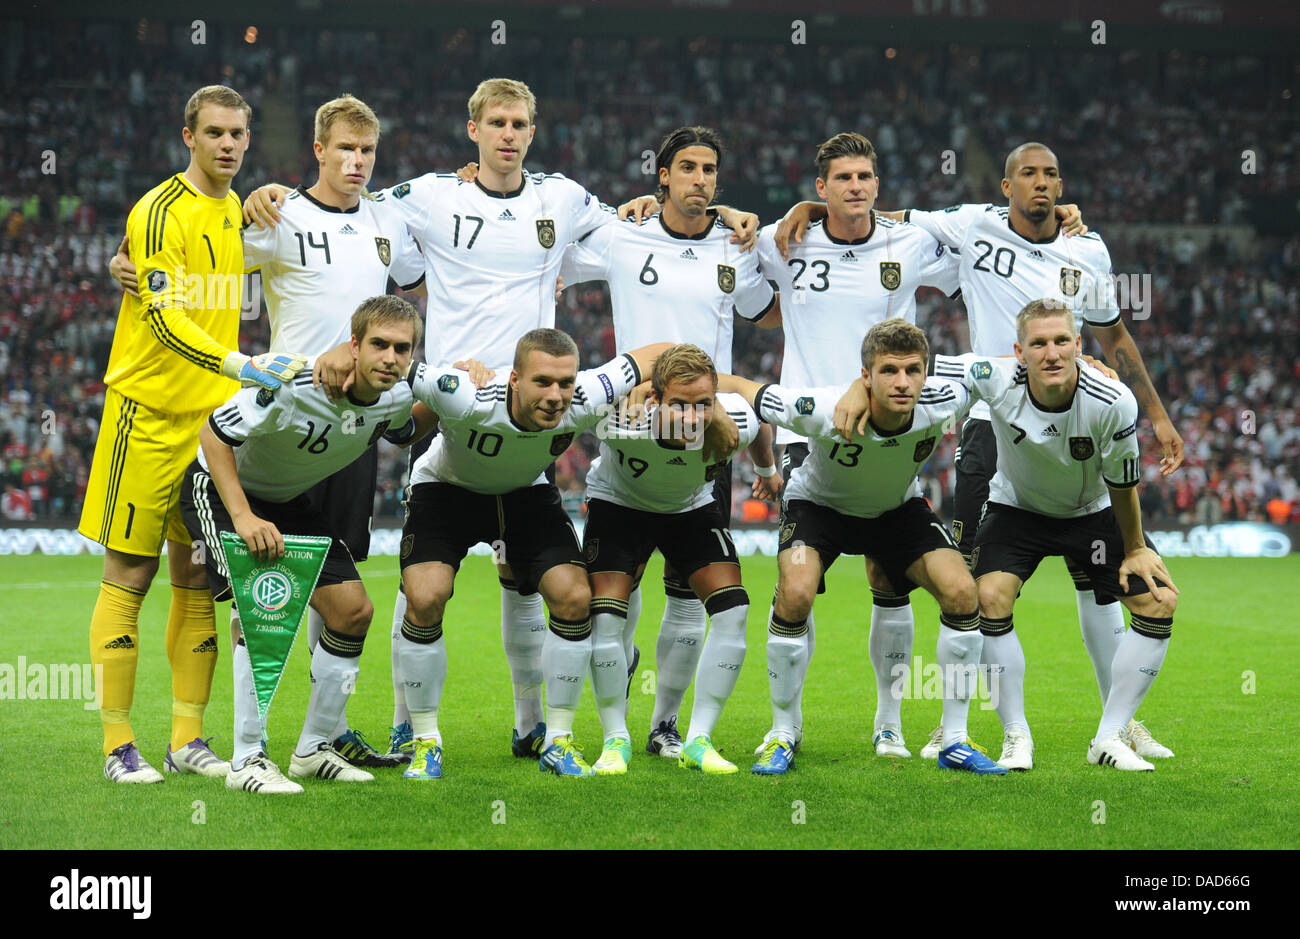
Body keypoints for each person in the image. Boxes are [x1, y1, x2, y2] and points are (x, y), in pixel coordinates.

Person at [243, 79, 754, 763]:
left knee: (522, 573)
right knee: (402, 577)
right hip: (447, 402)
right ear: (474, 128)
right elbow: (346, 210)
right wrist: (273, 195)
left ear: (532, 132)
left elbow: (652, 228)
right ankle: (396, 722)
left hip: (534, 402)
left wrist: (713, 208)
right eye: (498, 122)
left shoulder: (564, 200)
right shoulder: (429, 196)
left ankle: (530, 723)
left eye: (520, 123)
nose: (509, 134)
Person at [795, 142, 1179, 768]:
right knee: (976, 588)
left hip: (1075, 415)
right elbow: (875, 216)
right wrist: (814, 206)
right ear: (1005, 185)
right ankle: (966, 724)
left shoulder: (1089, 249)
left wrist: (1157, 414)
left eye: (1052, 173)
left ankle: (1121, 723)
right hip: (990, 422)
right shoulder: (970, 225)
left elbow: (1112, 333)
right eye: (1028, 173)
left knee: (1104, 589)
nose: (1041, 183)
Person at [110, 94, 428, 768]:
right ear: (317, 149)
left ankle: (324, 732)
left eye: (366, 150)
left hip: (355, 427)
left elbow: (428, 275)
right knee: (265, 579)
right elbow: (194, 254)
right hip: (284, 418)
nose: (355, 161)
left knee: (339, 583)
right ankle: (244, 745)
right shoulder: (279, 216)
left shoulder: (387, 222)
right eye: (344, 148)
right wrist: (125, 259)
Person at [81, 85, 307, 784]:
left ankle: (187, 736)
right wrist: (242, 364)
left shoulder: (241, 214)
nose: (229, 144)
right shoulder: (157, 210)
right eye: (215, 132)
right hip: (146, 414)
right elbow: (165, 320)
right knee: (131, 572)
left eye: (239, 133)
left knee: (199, 577)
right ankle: (119, 744)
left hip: (208, 424)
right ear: (189, 136)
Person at [559, 125, 771, 760]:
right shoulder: (625, 234)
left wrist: (746, 222)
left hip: (707, 430)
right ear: (663, 176)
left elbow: (764, 303)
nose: (700, 179)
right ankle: (614, 703)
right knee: (615, 591)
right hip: (633, 425)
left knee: (688, 591)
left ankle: (666, 725)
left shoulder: (739, 248)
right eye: (687, 167)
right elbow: (547, 250)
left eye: (710, 169)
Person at [749, 131, 960, 760]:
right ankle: (786, 726)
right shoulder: (780, 240)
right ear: (821, 188)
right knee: (796, 589)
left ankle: (889, 723)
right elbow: (737, 273)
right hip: (807, 430)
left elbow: (979, 250)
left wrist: (1061, 215)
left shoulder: (911, 242)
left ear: (877, 183)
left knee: (889, 579)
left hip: (893, 424)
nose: (857, 187)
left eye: (866, 176)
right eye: (843, 179)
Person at [722, 319, 1006, 775]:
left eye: (913, 370)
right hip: (818, 507)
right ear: (866, 375)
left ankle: (952, 738)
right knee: (795, 593)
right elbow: (740, 386)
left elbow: (1019, 366)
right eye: (888, 370)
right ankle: (783, 730)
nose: (902, 382)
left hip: (895, 510)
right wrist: (659, 381)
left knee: (961, 591)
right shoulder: (822, 407)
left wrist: (1084, 363)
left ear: (927, 372)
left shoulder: (947, 399)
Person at [397, 329, 675, 778]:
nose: (555, 395)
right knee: (426, 597)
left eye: (565, 383)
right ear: (513, 380)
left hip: (525, 495)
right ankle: (425, 740)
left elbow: (663, 350)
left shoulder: (589, 393)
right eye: (542, 382)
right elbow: (395, 389)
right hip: (447, 492)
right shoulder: (467, 395)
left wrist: (656, 389)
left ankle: (557, 740)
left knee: (574, 596)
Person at [181, 296, 423, 793]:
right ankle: (247, 759)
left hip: (288, 502)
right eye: (378, 345)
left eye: (402, 349)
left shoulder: (397, 396)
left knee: (352, 612)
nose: (390, 358)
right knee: (262, 610)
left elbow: (410, 426)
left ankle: (313, 749)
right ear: (352, 346)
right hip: (223, 490)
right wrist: (244, 516)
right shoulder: (291, 385)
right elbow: (213, 433)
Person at [932, 300, 1179, 771]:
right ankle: (1015, 735)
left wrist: (1136, 550)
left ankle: (1111, 735)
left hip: (1090, 513)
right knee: (989, 596)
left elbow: (1124, 485)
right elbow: (923, 363)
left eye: (1062, 340)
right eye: (1038, 343)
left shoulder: (1113, 401)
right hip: (1017, 510)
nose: (1052, 352)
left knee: (1158, 598)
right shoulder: (996, 378)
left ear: (1080, 346)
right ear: (1018, 352)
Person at [582, 343, 778, 774]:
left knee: (733, 608)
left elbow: (759, 423)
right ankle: (615, 739)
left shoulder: (733, 419)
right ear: (654, 398)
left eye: (703, 406)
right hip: (619, 505)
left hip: (688, 508)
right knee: (606, 616)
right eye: (680, 405)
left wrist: (767, 472)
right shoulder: (618, 418)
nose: (692, 418)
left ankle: (697, 738)